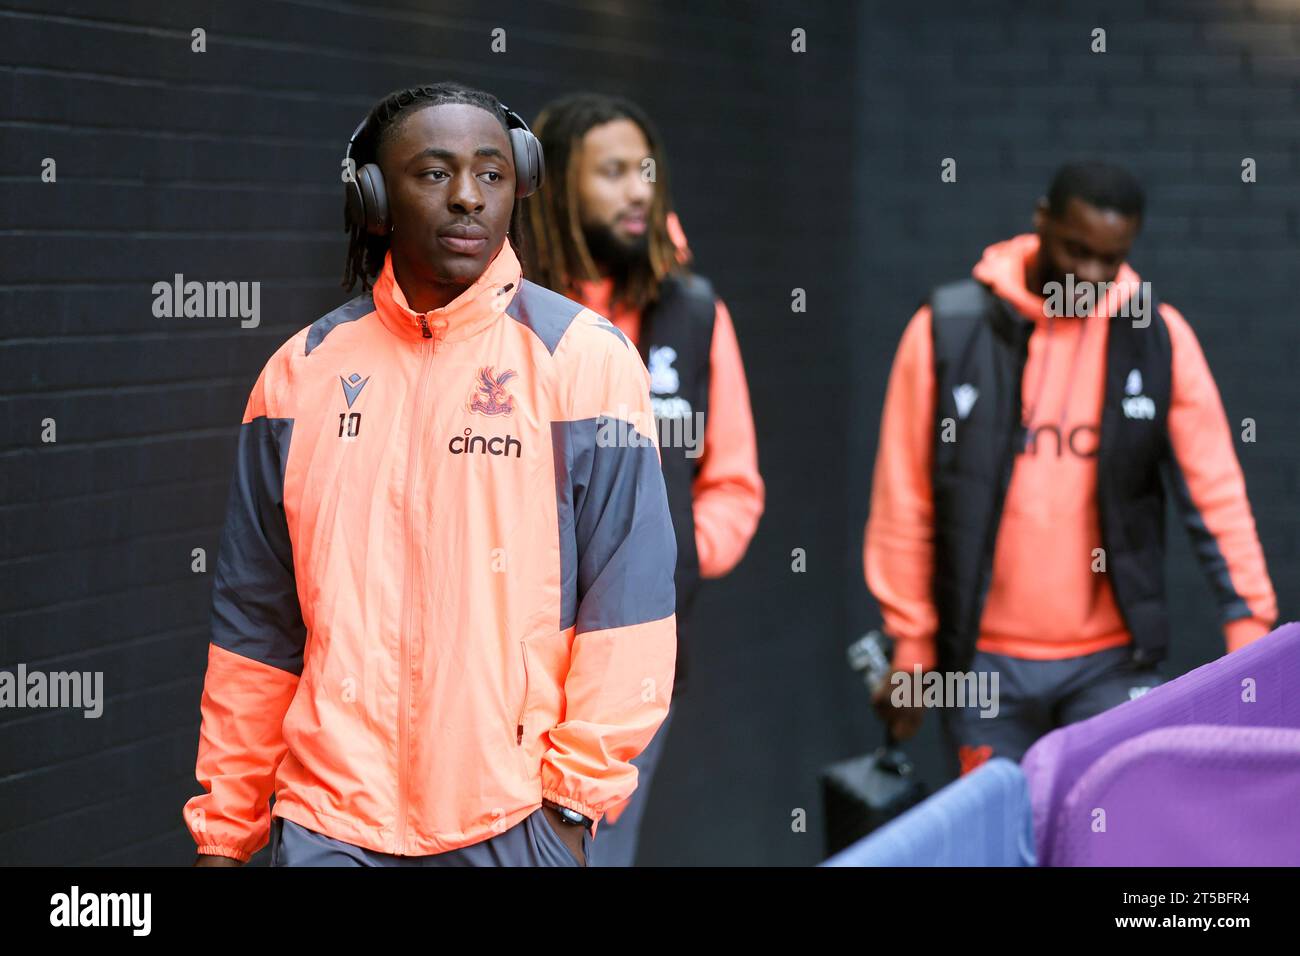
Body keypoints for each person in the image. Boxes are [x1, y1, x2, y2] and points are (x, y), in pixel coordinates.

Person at [183, 82, 677, 867]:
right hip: (327, 823)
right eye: (434, 173)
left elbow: (630, 607)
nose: (467, 199)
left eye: (490, 173)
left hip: (511, 821)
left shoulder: (585, 359)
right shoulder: (297, 377)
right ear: (375, 199)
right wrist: (227, 828)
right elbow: (256, 626)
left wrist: (571, 811)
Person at [865, 160, 1277, 776]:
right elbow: (906, 501)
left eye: (1109, 259)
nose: (1089, 274)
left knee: (1105, 835)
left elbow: (1215, 492)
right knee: (1004, 842)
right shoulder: (948, 333)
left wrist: (1250, 632)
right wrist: (913, 646)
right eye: (1075, 249)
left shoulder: (1155, 337)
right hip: (981, 666)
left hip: (1110, 664)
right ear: (1041, 221)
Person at [522, 93, 764, 865]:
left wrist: (664, 557)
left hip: (636, 663)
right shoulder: (506, 313)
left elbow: (733, 482)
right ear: (557, 186)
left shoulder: (691, 311)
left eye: (646, 173)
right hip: (505, 662)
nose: (638, 191)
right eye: (613, 173)